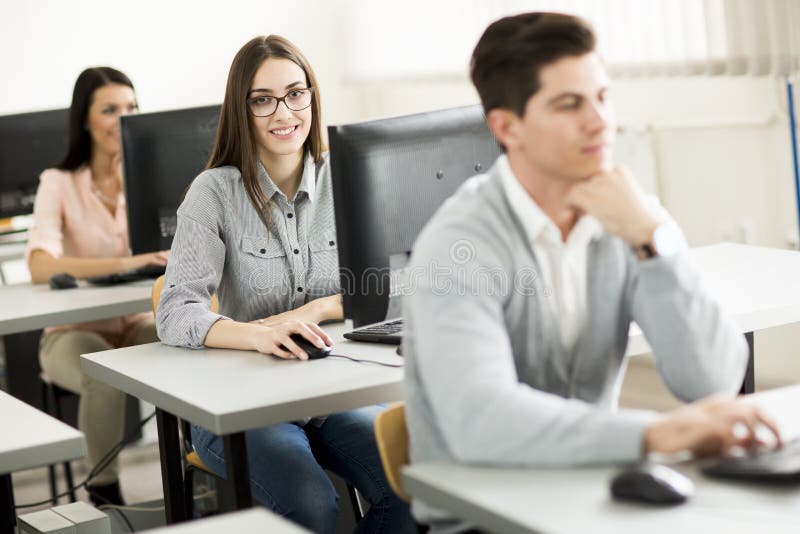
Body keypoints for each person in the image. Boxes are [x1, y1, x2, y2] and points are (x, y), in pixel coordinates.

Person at [402, 12, 781, 531]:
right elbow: (480, 421)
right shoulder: (458, 245)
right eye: (570, 104)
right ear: (507, 127)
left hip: (589, 494)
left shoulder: (626, 214)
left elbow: (712, 378)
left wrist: (653, 240)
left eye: (603, 96)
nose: (601, 121)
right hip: (481, 518)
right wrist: (652, 435)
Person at [156, 35, 414, 533]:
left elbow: (395, 283)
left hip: (331, 395)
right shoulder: (214, 193)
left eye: (296, 94)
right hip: (242, 404)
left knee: (411, 485)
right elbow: (174, 311)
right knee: (311, 504)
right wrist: (254, 333)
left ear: (312, 97)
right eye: (263, 100)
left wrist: (314, 311)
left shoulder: (347, 179)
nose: (284, 112)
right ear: (241, 109)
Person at [26, 67, 169, 506]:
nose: (123, 118)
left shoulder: (154, 175)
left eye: (131, 108)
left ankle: (200, 467)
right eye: (109, 109)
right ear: (84, 120)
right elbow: (39, 265)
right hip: (70, 335)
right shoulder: (59, 182)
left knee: (189, 345)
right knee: (100, 366)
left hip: (138, 322)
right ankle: (103, 489)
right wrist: (126, 263)